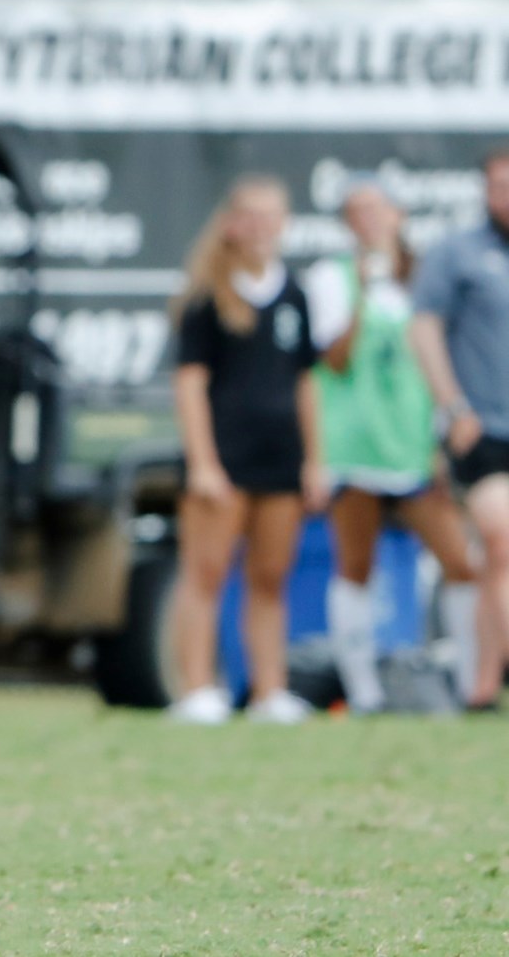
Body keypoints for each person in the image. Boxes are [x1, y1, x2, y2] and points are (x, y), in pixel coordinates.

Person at [304, 185, 484, 712]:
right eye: (357, 211)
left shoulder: (425, 277)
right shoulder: (330, 278)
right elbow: (332, 360)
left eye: (378, 208)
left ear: (399, 215)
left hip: (412, 445)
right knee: (355, 564)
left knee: (459, 560)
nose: (370, 219)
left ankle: (471, 686)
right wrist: (362, 291)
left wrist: (440, 428)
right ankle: (363, 691)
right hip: (355, 445)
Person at [166, 176, 330, 726]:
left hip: (280, 457)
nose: (262, 227)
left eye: (272, 216)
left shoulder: (294, 293)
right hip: (226, 457)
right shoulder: (208, 297)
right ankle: (195, 689)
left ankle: (269, 690)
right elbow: (189, 385)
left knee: (270, 578)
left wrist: (315, 458)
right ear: (232, 223)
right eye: (251, 216)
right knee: (206, 573)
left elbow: (305, 383)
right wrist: (203, 463)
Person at [410, 146, 509, 711]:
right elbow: (424, 330)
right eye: (499, 185)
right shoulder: (459, 254)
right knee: (500, 540)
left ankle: (484, 684)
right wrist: (452, 407)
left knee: (500, 559)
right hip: (485, 428)